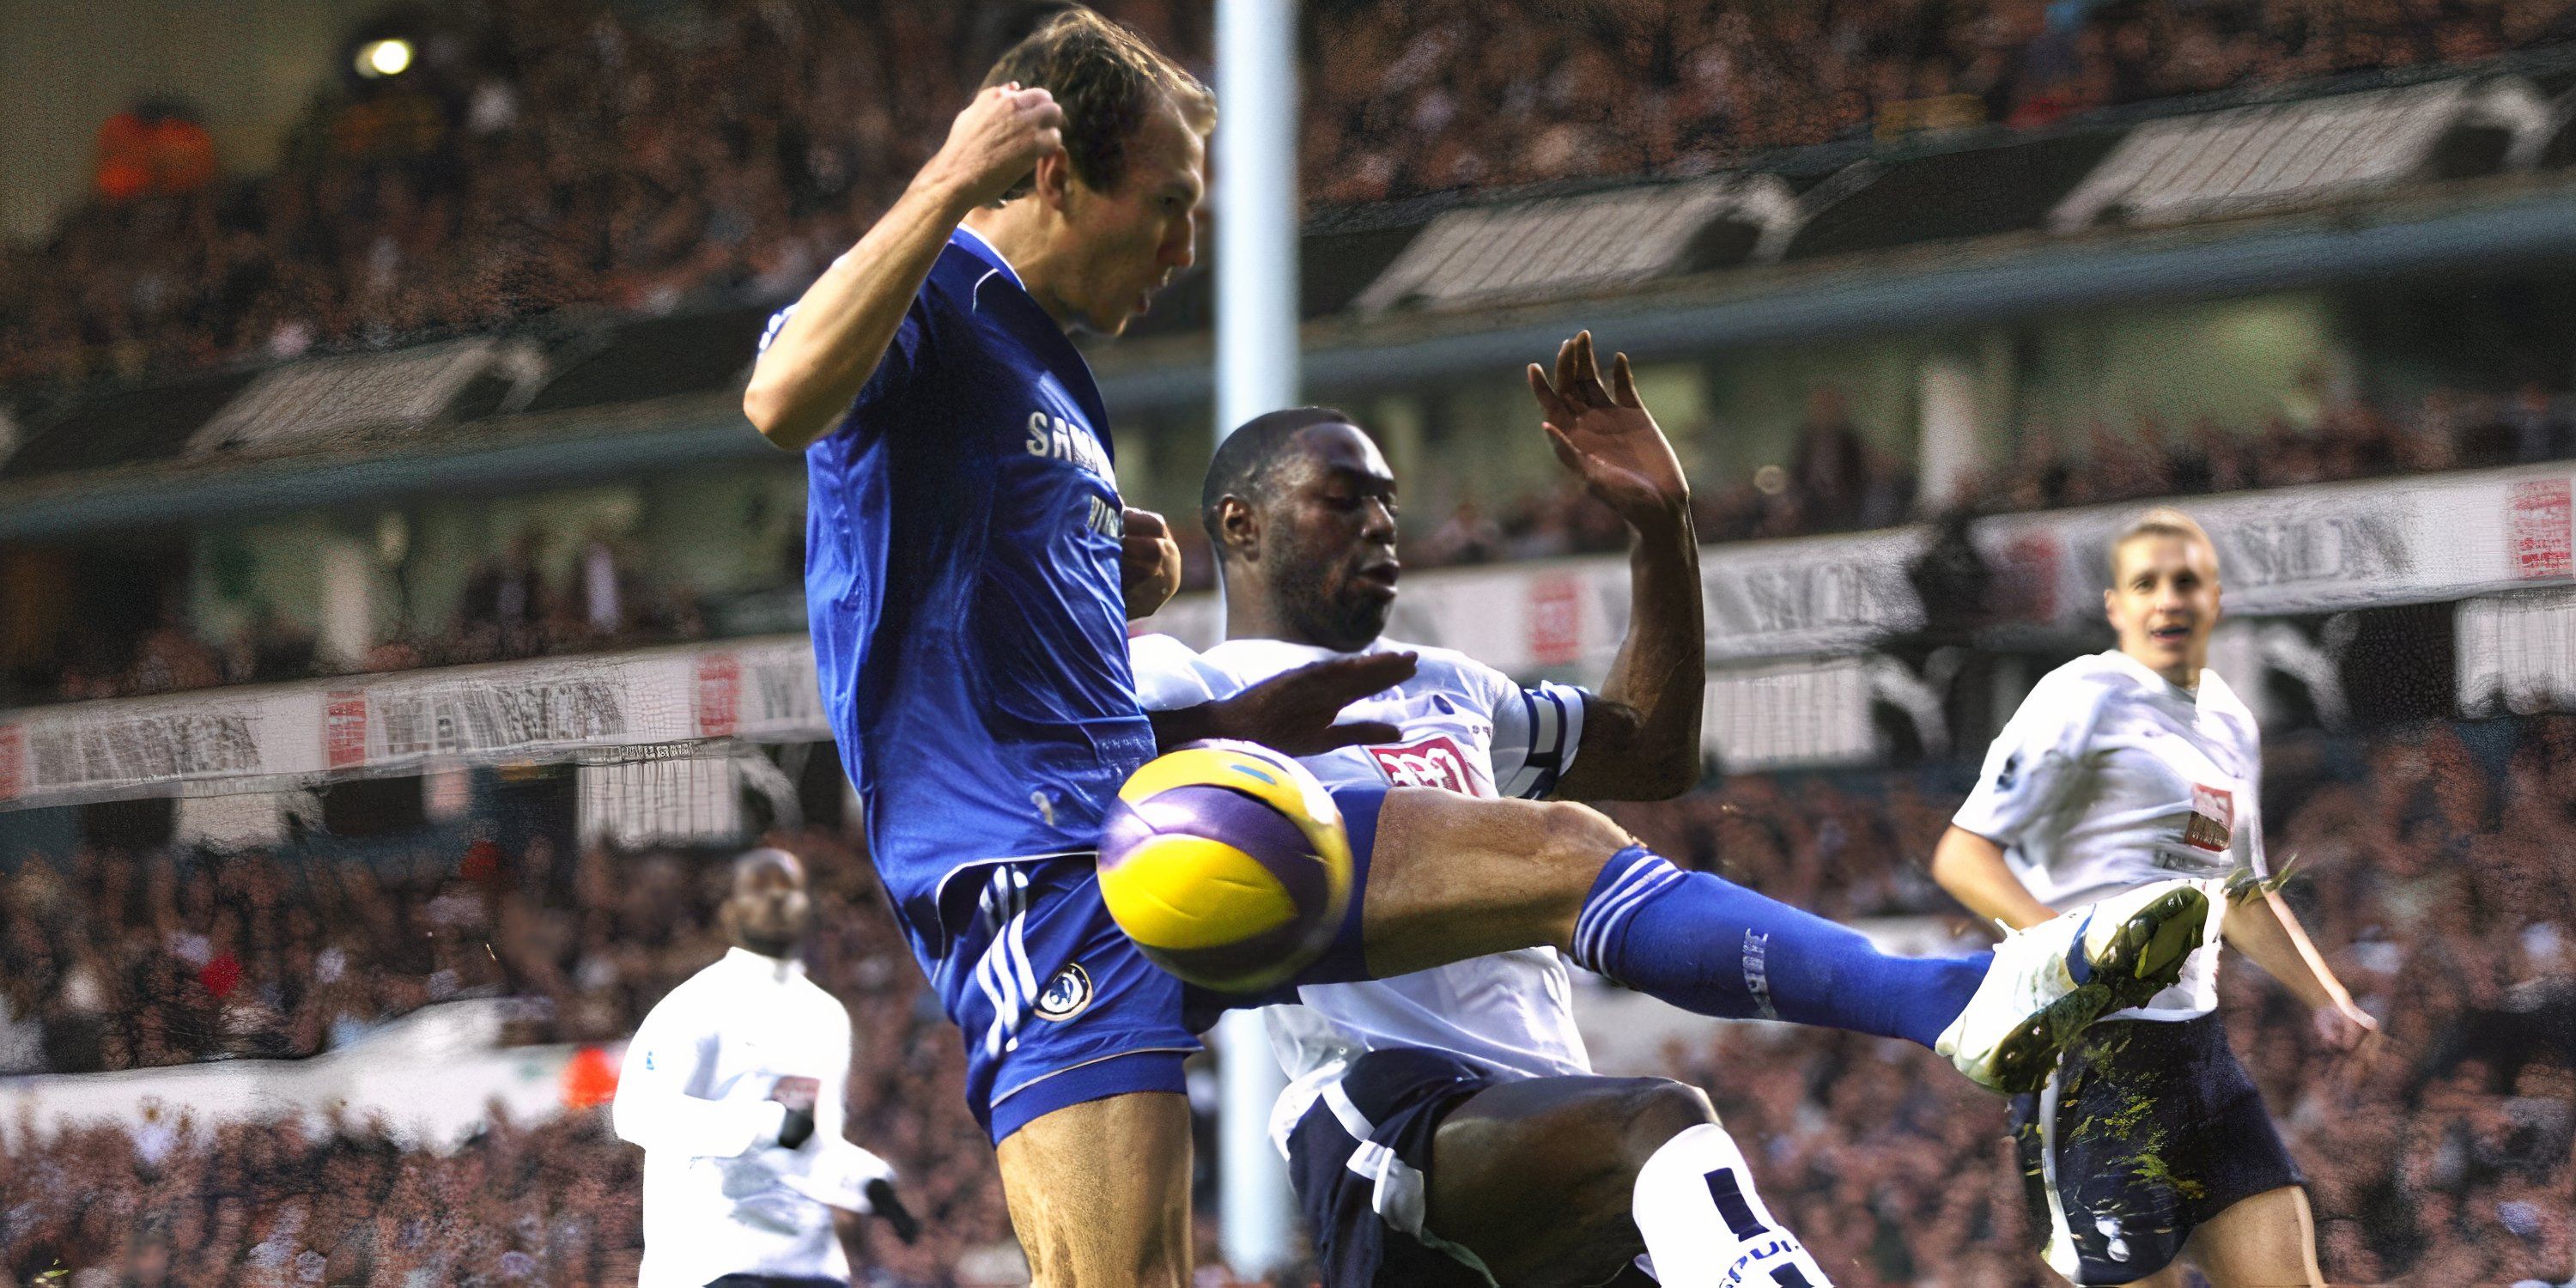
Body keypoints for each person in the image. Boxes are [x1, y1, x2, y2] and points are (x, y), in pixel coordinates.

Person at [742, 10, 2207, 1282]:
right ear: (1053, 175)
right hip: (1034, 883)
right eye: (1172, 205)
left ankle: (1958, 999)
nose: (1187, 245)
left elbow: (983, 616)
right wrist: (947, 179)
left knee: (1562, 847)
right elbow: (783, 399)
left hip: (1155, 821)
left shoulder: (1048, 366)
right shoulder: (936, 292)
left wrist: (1099, 578)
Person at [1131, 336, 2216, 1288]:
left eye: (1388, 502)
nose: (1380, 524)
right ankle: (1945, 998)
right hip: (1388, 1115)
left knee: (1667, 1144)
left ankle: (1946, 1002)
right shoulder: (1184, 685)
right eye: (1342, 499)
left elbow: (1650, 749)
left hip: (1544, 1116)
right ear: (1241, 523)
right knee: (1660, 1113)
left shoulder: (1446, 685)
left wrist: (1662, 534)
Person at [1929, 507, 2380, 1288]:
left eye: (2185, 582)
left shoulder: (2230, 721)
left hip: (2200, 1053)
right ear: (2117, 606)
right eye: (2146, 584)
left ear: (2215, 598)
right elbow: (1963, 856)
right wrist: (2075, 961)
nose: (2168, 599)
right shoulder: (2082, 694)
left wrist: (2327, 999)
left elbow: (2239, 891)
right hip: (2092, 1060)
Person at [613, 848, 918, 1288]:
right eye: (759, 892)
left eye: (786, 893)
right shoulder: (694, 1005)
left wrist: (870, 1183)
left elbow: (806, 1143)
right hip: (711, 1262)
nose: (775, 902)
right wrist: (756, 1124)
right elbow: (636, 1113)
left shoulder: (825, 1017)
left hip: (807, 1268)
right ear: (730, 913)